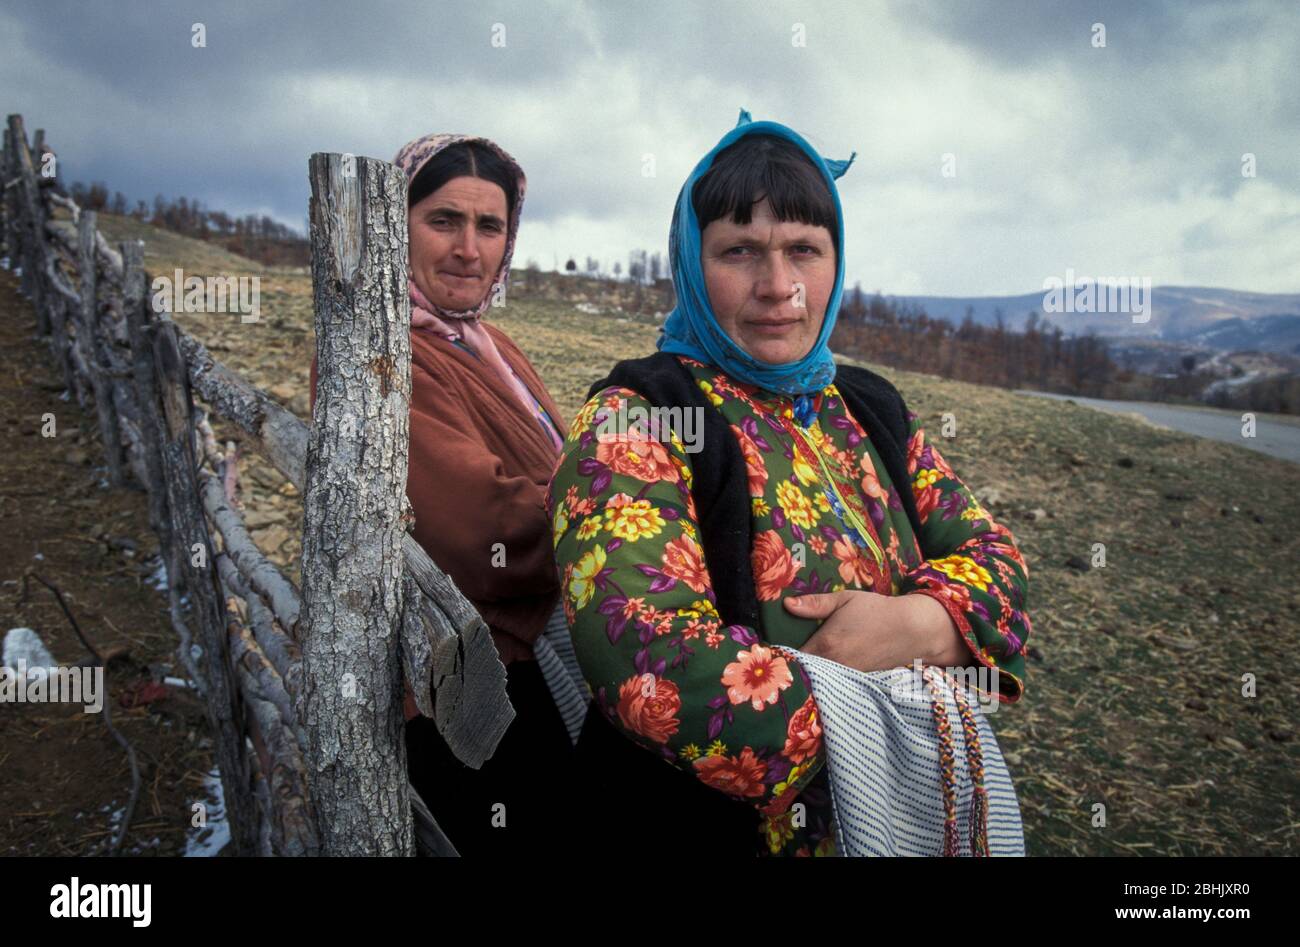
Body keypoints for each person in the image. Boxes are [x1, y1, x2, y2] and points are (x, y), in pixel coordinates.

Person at [547, 112, 1033, 857]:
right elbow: (650, 670)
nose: (779, 287)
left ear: (836, 261)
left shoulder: (870, 409)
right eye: (740, 251)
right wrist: (887, 701)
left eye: (804, 249)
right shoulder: (638, 421)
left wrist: (923, 625)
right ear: (688, 259)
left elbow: (998, 562)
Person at [310, 131, 573, 856]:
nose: (469, 248)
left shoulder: (487, 342)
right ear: (397, 225)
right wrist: (620, 526)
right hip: (468, 689)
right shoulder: (386, 350)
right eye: (444, 220)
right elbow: (477, 531)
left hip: (521, 663)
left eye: (490, 226)